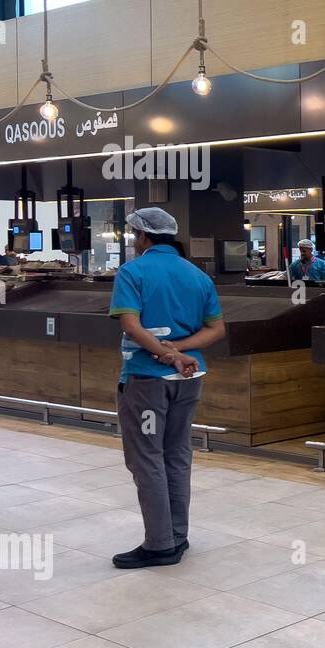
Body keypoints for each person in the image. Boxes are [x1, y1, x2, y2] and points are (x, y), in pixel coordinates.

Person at [108, 208, 225, 568]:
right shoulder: (197, 276)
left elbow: (131, 325)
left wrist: (165, 353)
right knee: (176, 453)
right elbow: (216, 329)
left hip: (147, 380)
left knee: (146, 458)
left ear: (143, 237)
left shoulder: (133, 272)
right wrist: (181, 351)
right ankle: (177, 534)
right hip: (189, 379)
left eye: (133, 234)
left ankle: (160, 545)